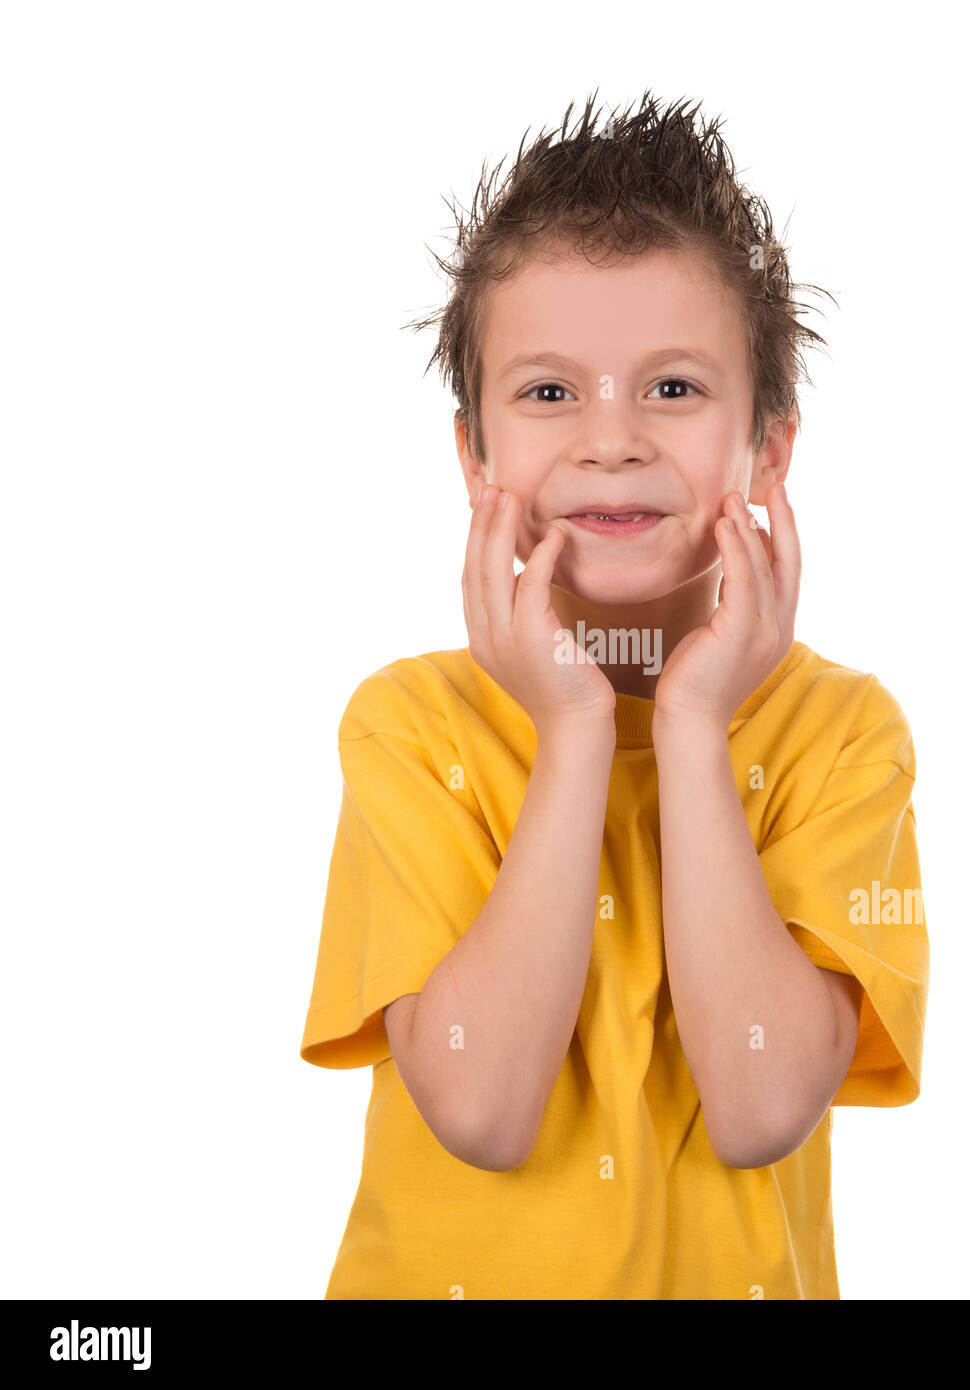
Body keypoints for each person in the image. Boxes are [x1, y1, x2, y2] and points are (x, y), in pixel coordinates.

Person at [299, 90, 929, 1300]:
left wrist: (690, 729)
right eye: (548, 394)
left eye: (674, 389)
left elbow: (759, 1107)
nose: (611, 440)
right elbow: (480, 1108)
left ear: (770, 448)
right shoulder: (410, 725)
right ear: (473, 456)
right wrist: (578, 726)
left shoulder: (845, 735)